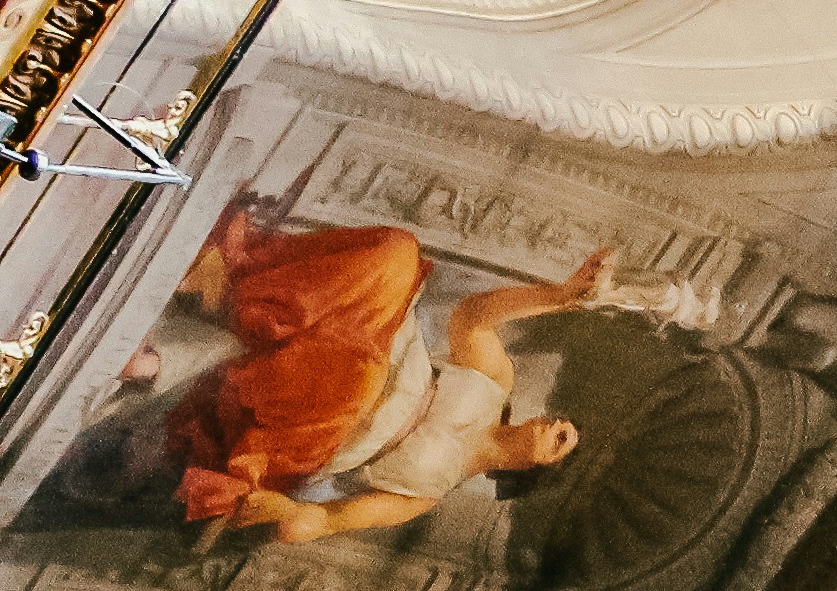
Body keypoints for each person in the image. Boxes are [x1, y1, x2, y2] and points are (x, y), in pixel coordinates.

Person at [161, 212, 606, 540]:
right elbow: (472, 317)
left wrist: (289, 513)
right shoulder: (497, 383)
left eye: (561, 439)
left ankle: (238, 312)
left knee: (356, 379)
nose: (555, 423)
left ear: (540, 469)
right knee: (397, 253)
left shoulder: (422, 497)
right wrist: (557, 297)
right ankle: (232, 290)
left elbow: (329, 519)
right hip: (380, 343)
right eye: (562, 422)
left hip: (330, 424)